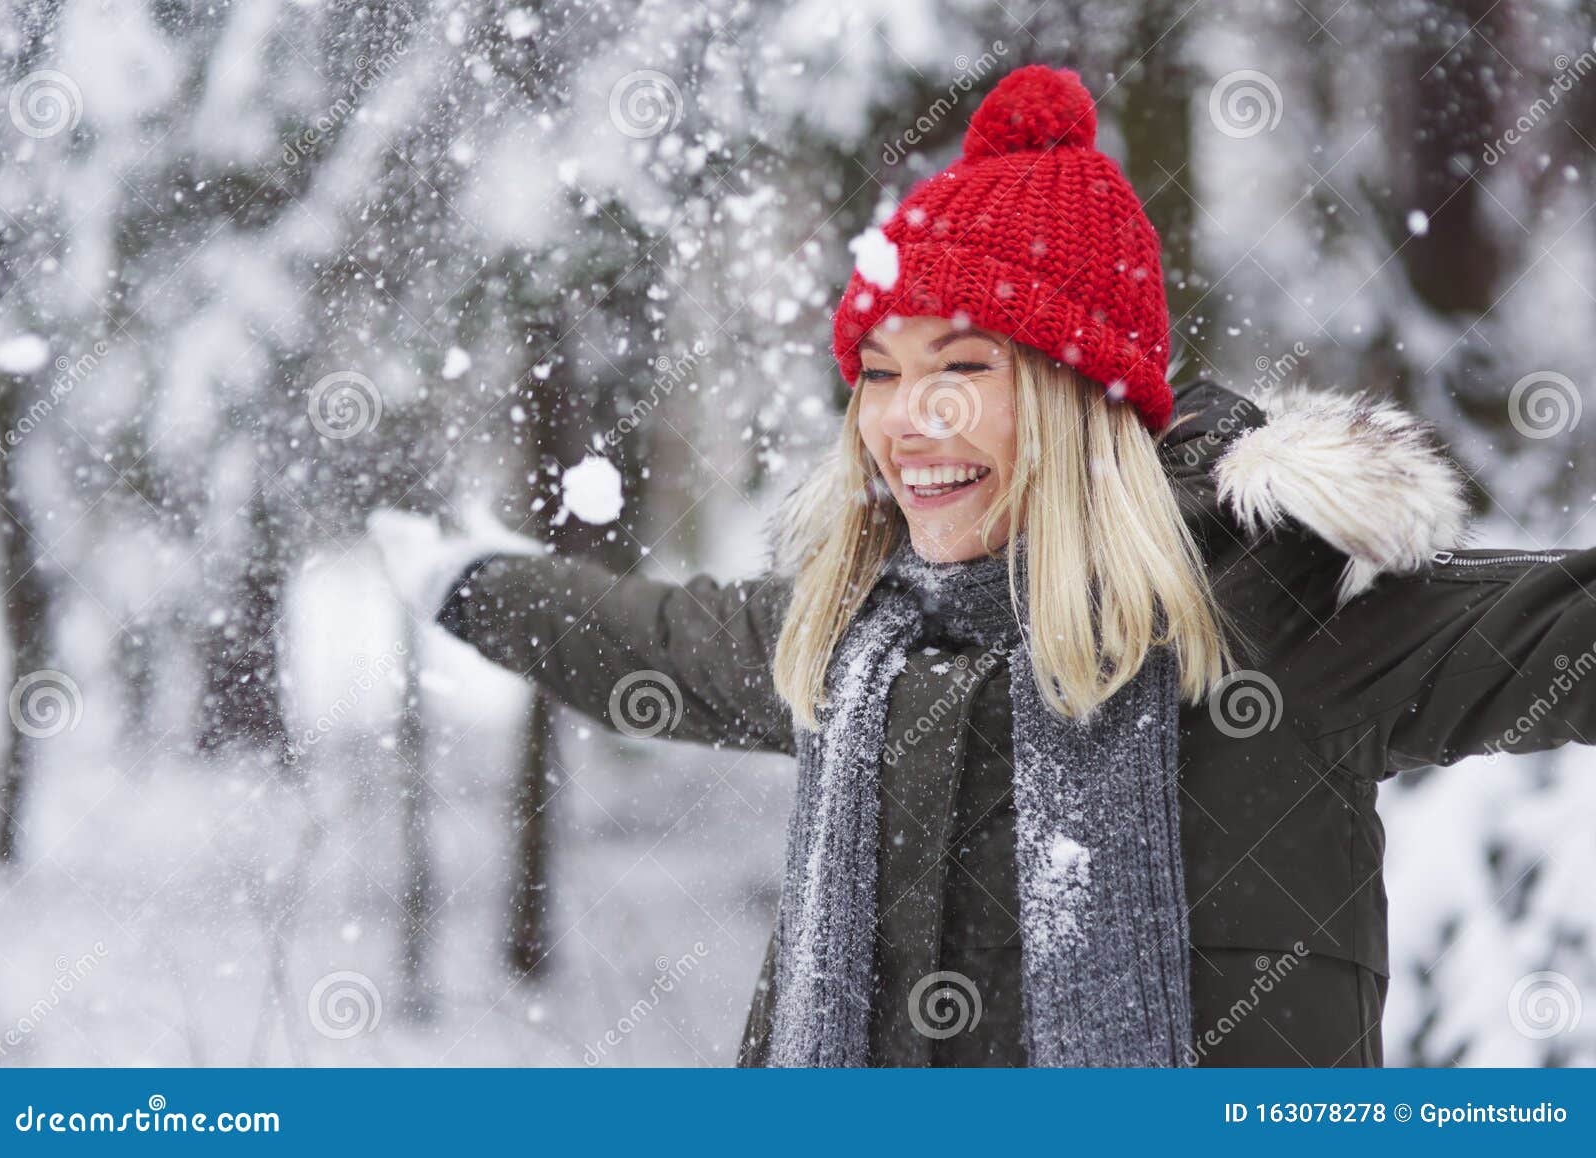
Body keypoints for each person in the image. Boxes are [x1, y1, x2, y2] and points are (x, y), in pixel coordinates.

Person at [377, 65, 1596, 1067]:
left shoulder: (1281, 613)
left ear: (1079, 398)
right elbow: (645, 641)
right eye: (880, 374)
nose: (907, 423)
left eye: (962, 368)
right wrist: (464, 579)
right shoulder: (857, 642)